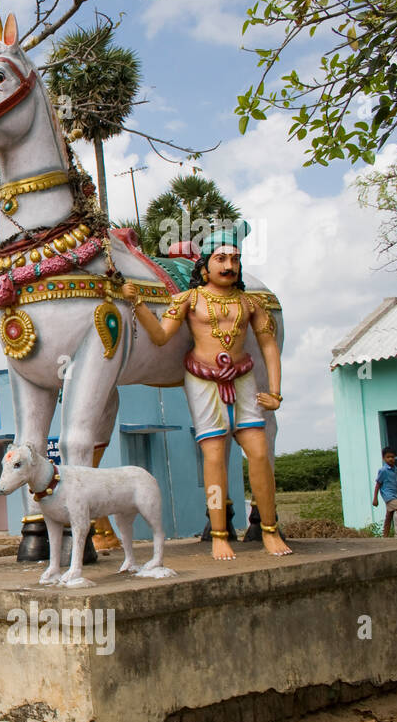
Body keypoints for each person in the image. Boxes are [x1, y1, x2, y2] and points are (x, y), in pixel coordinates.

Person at [122, 226, 292, 560]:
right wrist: (137, 303)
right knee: (213, 456)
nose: (229, 266)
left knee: (258, 452)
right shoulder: (188, 300)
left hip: (242, 380)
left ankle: (269, 529)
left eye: (235, 260)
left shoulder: (251, 303)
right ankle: (218, 535)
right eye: (221, 259)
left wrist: (275, 391)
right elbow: (160, 336)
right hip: (203, 382)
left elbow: (269, 347)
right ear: (204, 267)